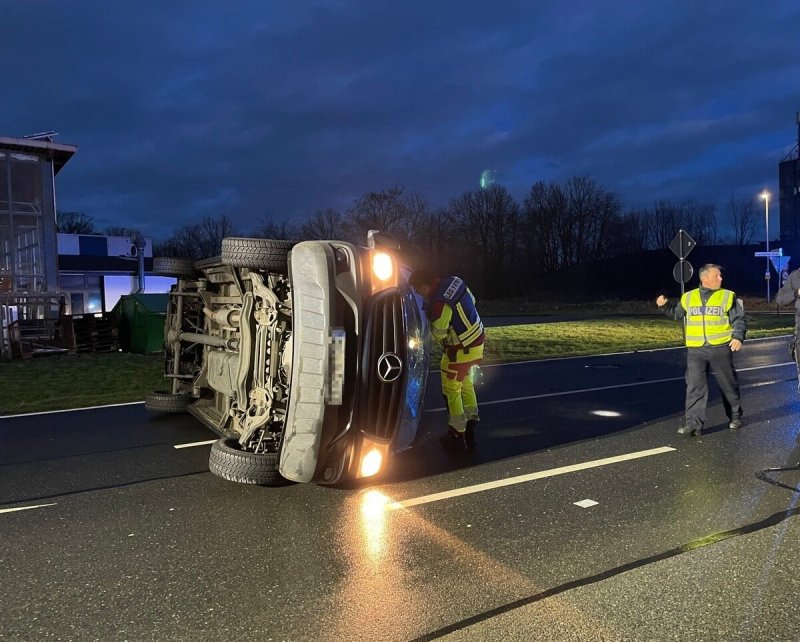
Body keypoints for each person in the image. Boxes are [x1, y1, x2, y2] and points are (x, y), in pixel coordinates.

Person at [656, 263, 746, 436]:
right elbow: (677, 313)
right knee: (694, 387)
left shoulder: (728, 296)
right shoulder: (689, 297)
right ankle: (693, 425)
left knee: (728, 384)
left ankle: (735, 416)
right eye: (717, 276)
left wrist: (738, 337)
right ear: (705, 278)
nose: (721, 278)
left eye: (720, 276)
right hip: (696, 350)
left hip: (720, 346)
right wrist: (664, 305)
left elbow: (739, 319)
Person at [408, 269, 484, 450]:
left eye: (419, 291)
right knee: (465, 383)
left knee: (451, 388)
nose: (420, 294)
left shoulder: (440, 302)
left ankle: (457, 433)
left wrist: (427, 322)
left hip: (460, 349)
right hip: (476, 342)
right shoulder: (455, 281)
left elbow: (439, 332)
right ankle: (471, 421)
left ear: (425, 286)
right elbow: (472, 300)